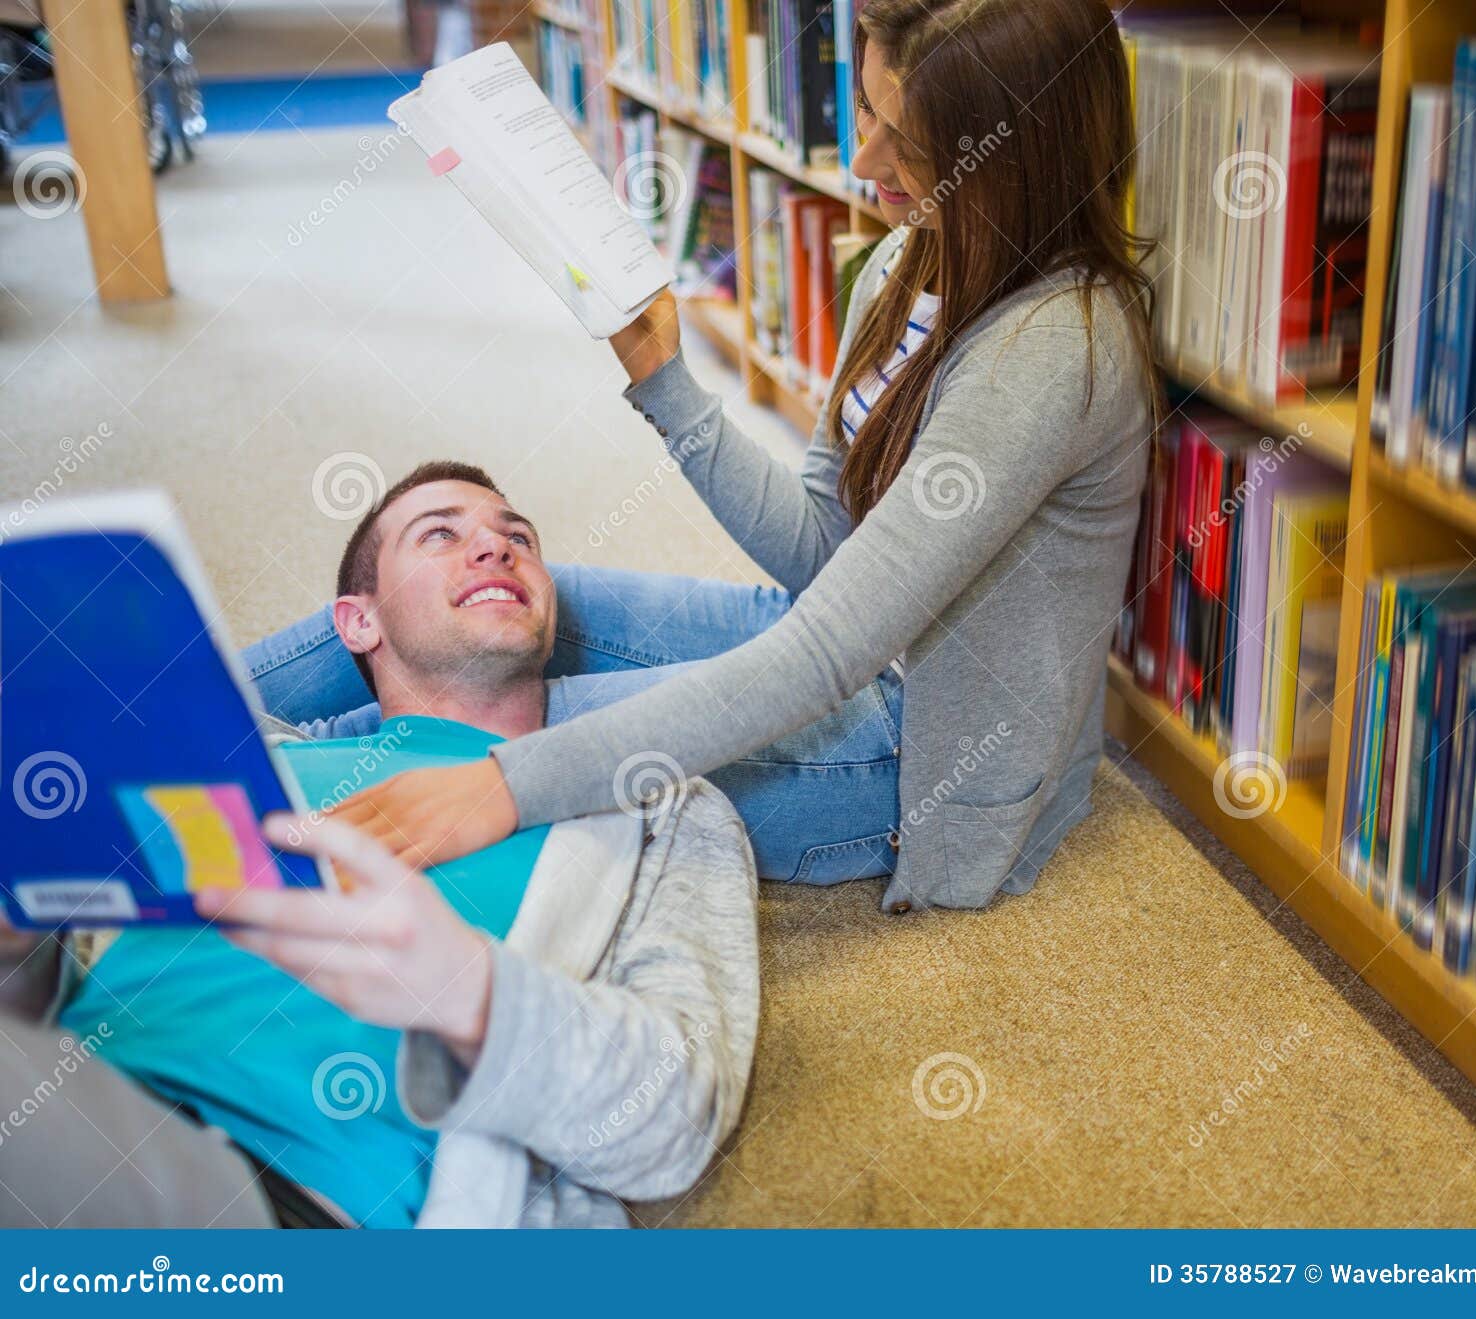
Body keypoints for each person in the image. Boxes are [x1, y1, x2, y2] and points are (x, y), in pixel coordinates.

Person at [245, 0, 1161, 914]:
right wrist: (663, 378)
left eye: (906, 141)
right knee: (483, 606)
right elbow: (820, 550)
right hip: (852, 645)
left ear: (1006, 158)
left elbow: (824, 654)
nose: (863, 160)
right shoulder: (903, 265)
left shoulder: (1054, 349)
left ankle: (244, 797)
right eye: (869, 111)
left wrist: (506, 784)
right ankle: (161, 719)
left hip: (920, 750)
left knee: (499, 718)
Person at [0, 465, 758, 1229]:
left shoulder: (651, 808)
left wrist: (469, 991)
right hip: (78, 1095)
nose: (495, 546)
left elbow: (676, 1117)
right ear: (358, 622)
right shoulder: (252, 763)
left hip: (277, 1206)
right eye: (441, 533)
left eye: (517, 535)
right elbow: (66, 983)